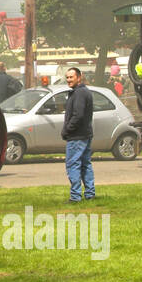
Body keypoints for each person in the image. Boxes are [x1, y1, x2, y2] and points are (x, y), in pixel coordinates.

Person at [61, 67, 95, 202]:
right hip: (85, 134)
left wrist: (66, 130)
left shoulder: (80, 93)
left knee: (73, 164)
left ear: (79, 77)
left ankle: (75, 196)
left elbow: (78, 115)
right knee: (85, 164)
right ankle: (90, 194)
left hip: (77, 136)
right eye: (67, 77)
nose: (69, 80)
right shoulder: (82, 92)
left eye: (71, 77)